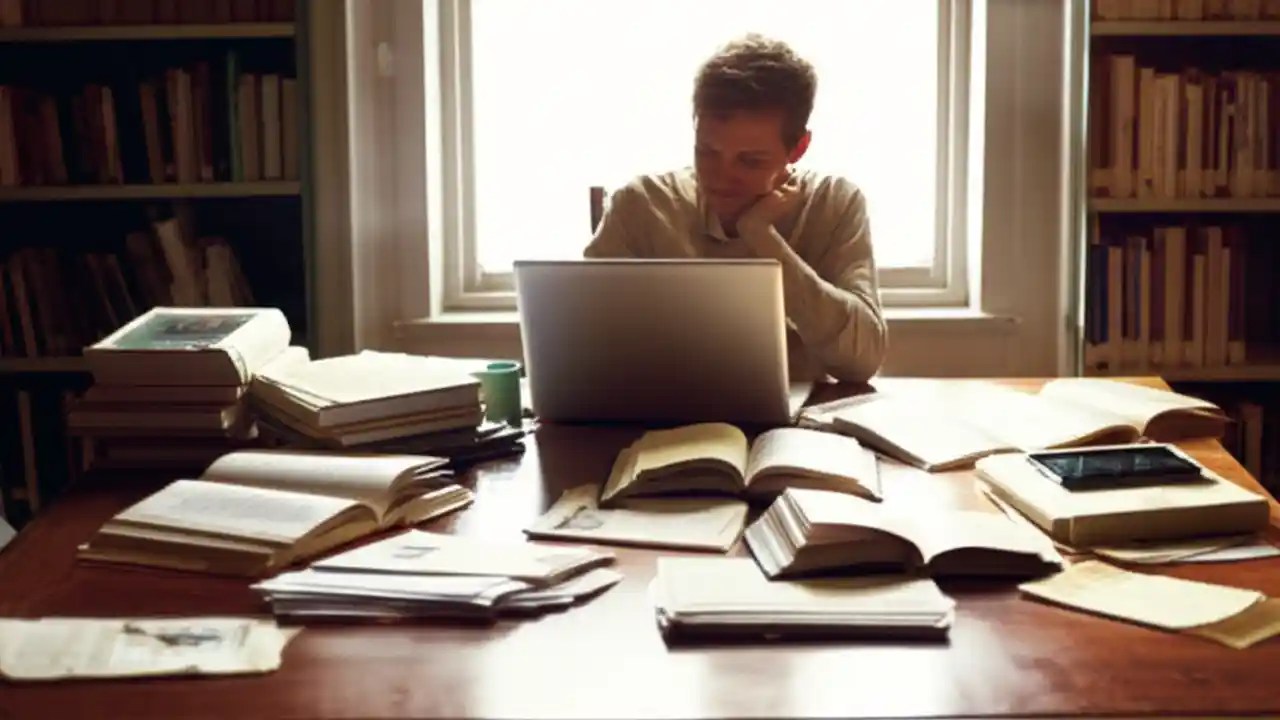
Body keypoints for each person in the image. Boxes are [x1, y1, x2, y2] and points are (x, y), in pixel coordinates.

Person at [584, 33, 887, 384]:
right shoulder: (640, 206)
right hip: (664, 425)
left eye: (750, 161)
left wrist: (763, 238)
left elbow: (862, 361)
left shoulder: (836, 204)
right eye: (707, 152)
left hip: (797, 429)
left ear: (798, 147)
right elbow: (582, 345)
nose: (721, 177)